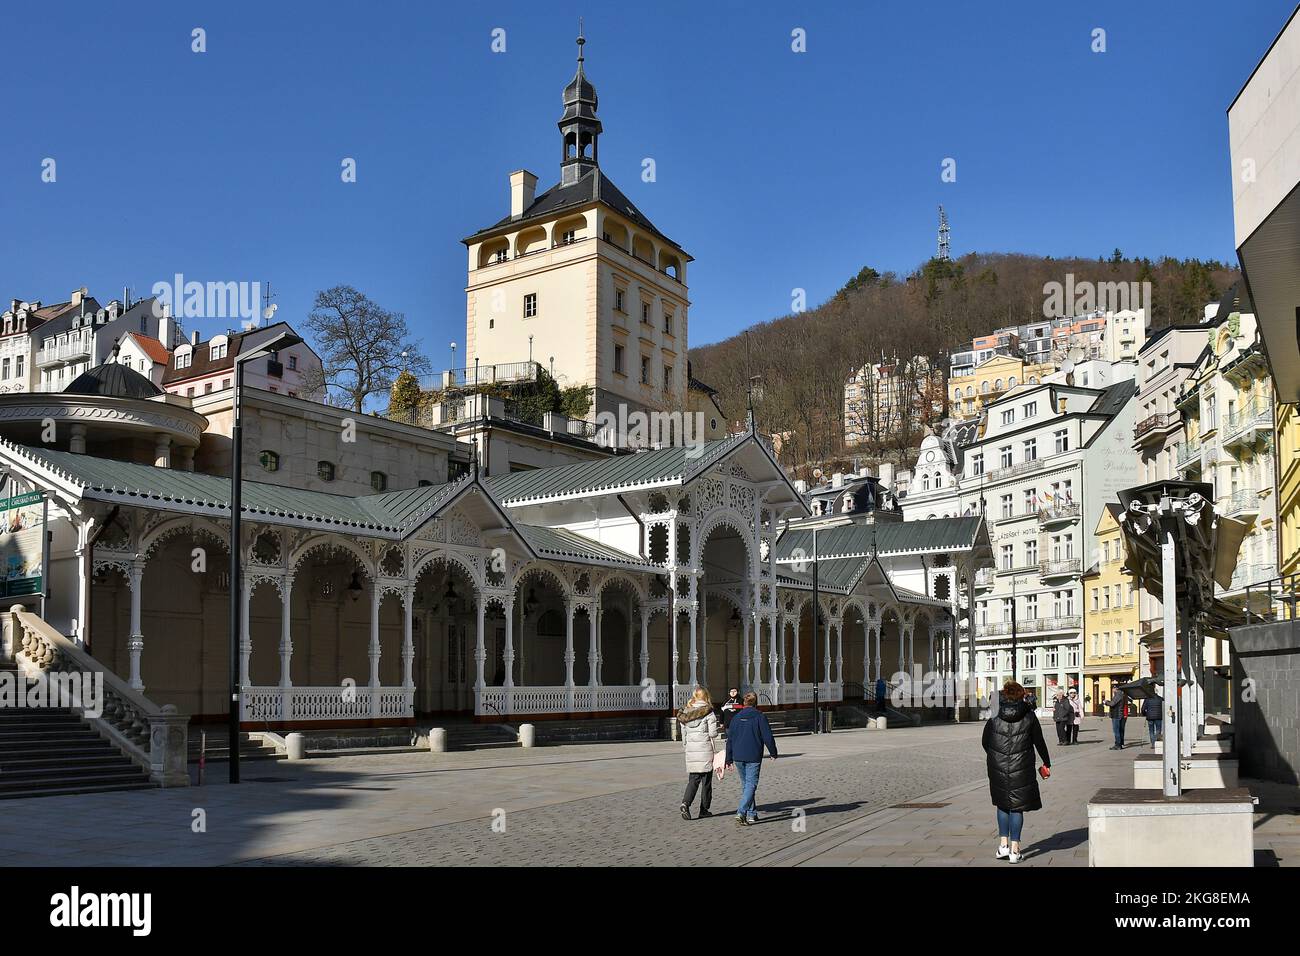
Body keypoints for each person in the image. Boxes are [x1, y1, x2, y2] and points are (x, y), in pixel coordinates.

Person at [982, 680, 1051, 864]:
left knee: (1002, 804)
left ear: (1005, 694)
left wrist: (995, 756)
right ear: (1022, 695)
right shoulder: (1029, 716)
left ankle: (1003, 846)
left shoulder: (995, 715)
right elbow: (1039, 741)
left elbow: (985, 741)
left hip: (998, 766)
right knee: (1017, 806)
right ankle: (1015, 850)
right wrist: (1047, 762)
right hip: (1022, 767)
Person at [724, 691, 778, 826]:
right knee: (751, 785)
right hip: (753, 755)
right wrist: (773, 752)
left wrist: (728, 759)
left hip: (738, 756)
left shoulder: (736, 718)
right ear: (756, 703)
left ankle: (752, 813)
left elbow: (729, 740)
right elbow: (768, 737)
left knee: (746, 785)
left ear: (744, 703)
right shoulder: (760, 717)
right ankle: (741, 812)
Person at [677, 687, 719, 820]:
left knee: (693, 780)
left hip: (691, 749)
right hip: (705, 749)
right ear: (706, 696)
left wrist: (687, 746)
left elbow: (683, 735)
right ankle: (704, 809)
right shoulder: (708, 712)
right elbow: (713, 733)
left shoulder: (685, 713)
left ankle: (685, 803)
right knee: (706, 781)